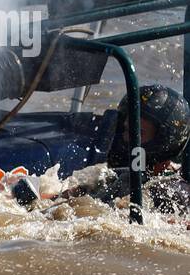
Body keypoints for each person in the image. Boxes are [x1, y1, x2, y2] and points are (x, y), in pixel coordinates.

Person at [56, 85, 190, 214]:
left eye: (138, 133)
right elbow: (70, 197)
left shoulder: (173, 192)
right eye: (127, 130)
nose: (127, 139)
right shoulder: (117, 176)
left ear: (163, 142)